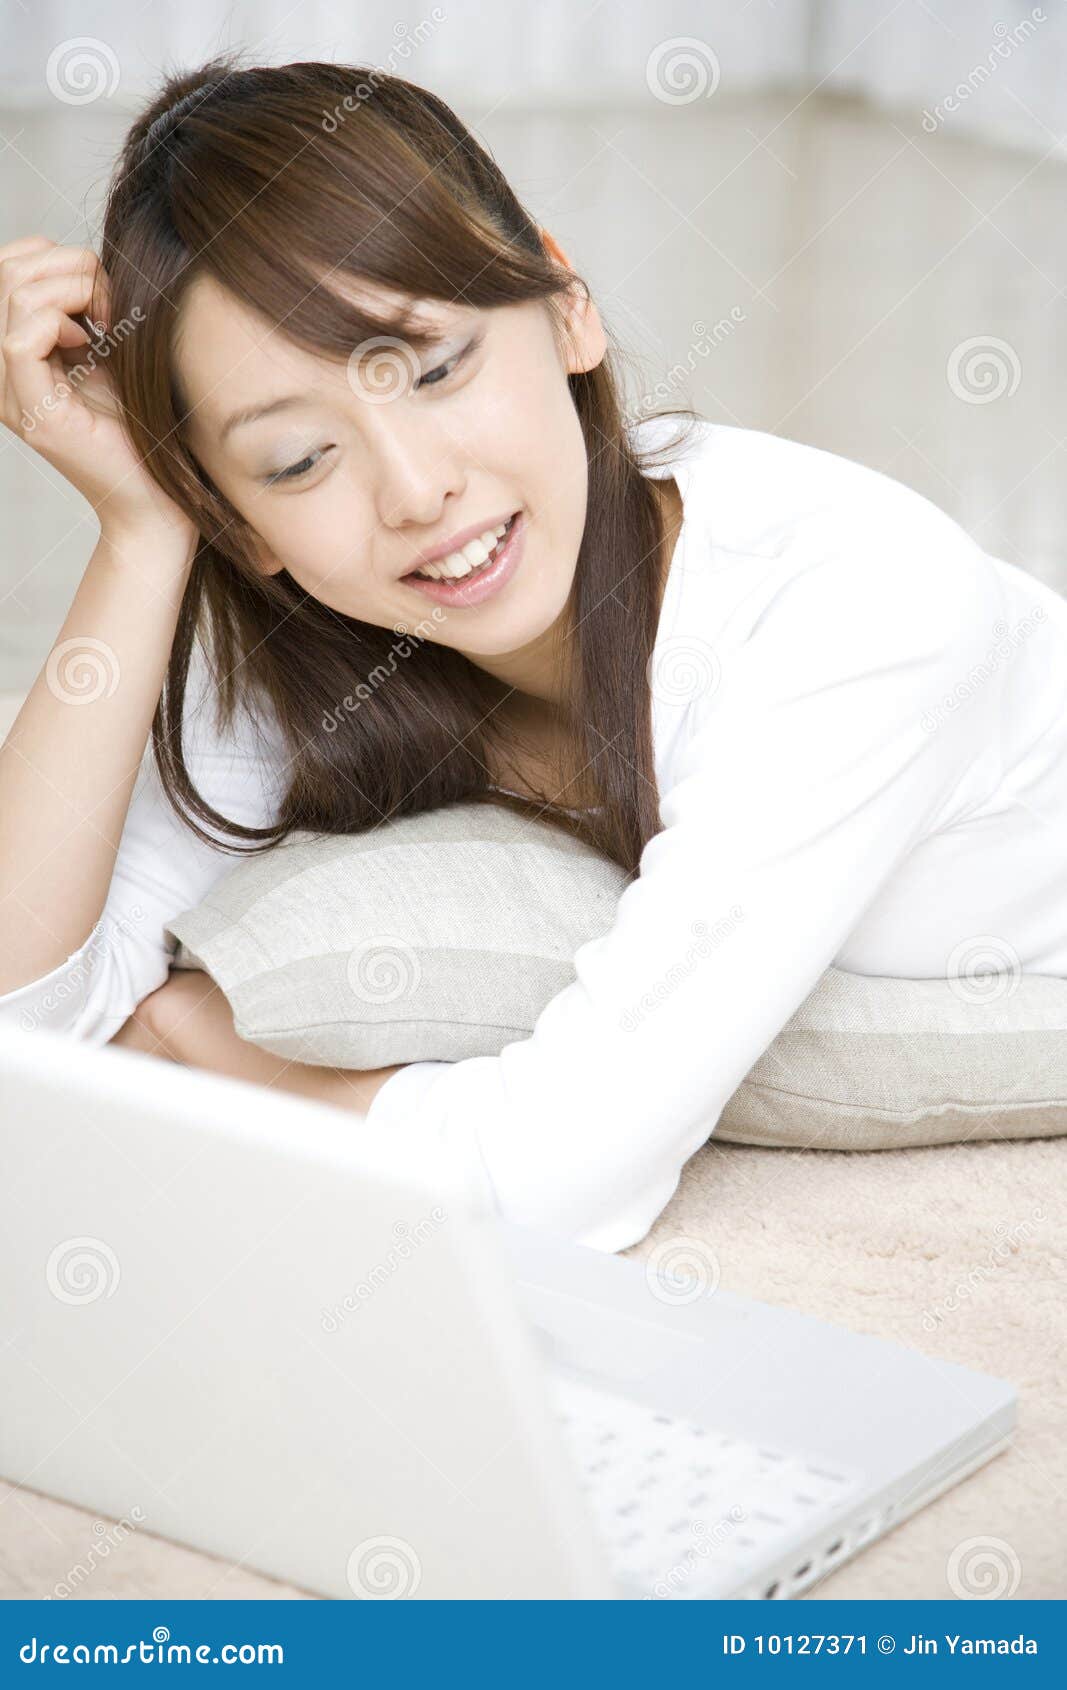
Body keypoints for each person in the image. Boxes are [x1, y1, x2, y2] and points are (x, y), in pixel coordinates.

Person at [2, 54, 1066, 1253]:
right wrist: (142, 534)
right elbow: (18, 1022)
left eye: (439, 367)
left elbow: (553, 1182)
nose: (417, 493)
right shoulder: (330, 635)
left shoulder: (855, 604)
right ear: (240, 522)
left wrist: (213, 1050)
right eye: (299, 459)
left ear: (566, 303)